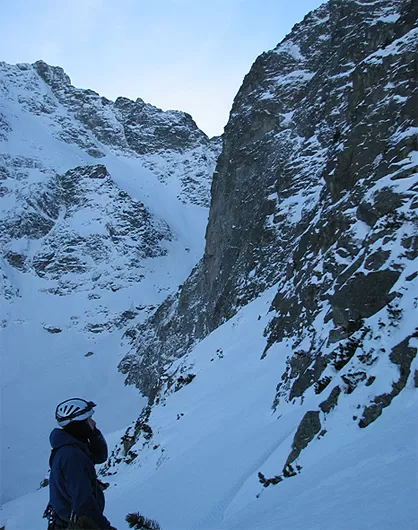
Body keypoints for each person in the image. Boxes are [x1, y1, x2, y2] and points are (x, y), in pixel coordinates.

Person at [45, 398, 117, 530]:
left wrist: (94, 433)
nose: (94, 422)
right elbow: (84, 504)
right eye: (89, 420)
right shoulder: (72, 456)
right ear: (79, 426)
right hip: (77, 525)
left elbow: (100, 456)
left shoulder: (72, 445)